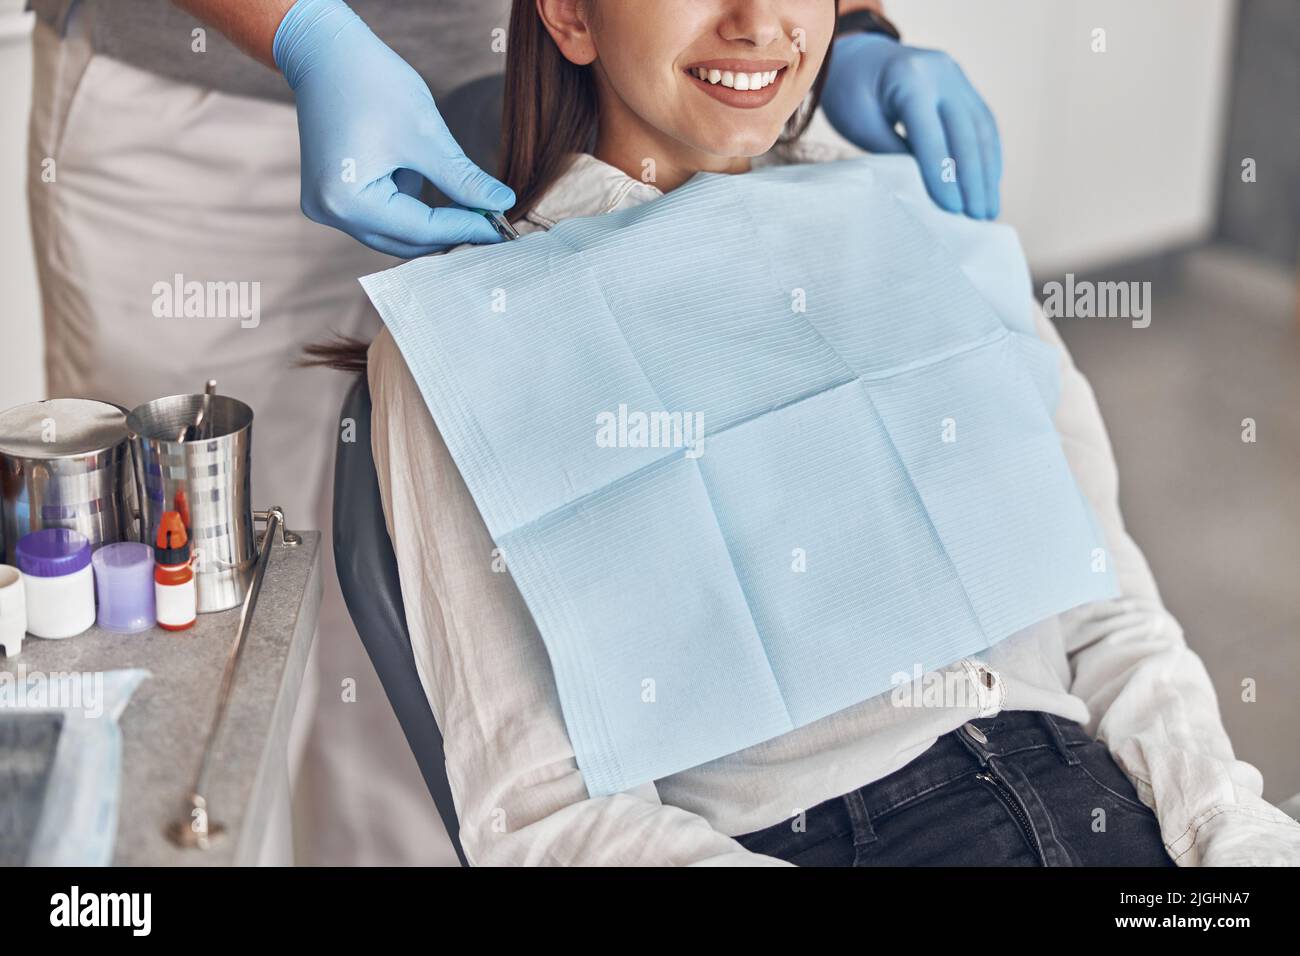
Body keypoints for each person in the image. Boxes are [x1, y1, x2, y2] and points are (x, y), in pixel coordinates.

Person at [26, 0, 1003, 864]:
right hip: (197, 118)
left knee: (431, 709)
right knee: (193, 644)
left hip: (530, 86)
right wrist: (298, 25)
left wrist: (856, 21)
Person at [335, 0, 1300, 865]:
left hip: (1106, 802)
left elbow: (1109, 615)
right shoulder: (475, 336)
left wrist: (1229, 831)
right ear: (571, 16)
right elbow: (541, 818)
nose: (756, 22)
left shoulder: (910, 214)